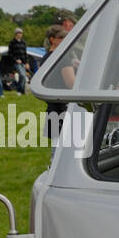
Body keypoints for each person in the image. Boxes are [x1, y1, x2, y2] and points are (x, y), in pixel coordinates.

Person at [40, 25, 75, 153]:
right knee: (68, 152)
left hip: (53, 107)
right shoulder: (62, 58)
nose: (66, 39)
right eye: (62, 37)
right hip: (65, 108)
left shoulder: (46, 58)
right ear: (52, 39)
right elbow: (71, 83)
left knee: (56, 152)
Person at [8, 27, 29, 94]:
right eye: (19, 33)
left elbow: (25, 53)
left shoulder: (23, 42)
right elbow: (10, 53)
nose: (20, 34)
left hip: (23, 62)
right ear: (16, 34)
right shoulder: (12, 42)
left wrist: (27, 63)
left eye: (21, 33)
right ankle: (19, 90)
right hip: (16, 62)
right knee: (22, 75)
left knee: (23, 76)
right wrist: (16, 60)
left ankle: (22, 91)